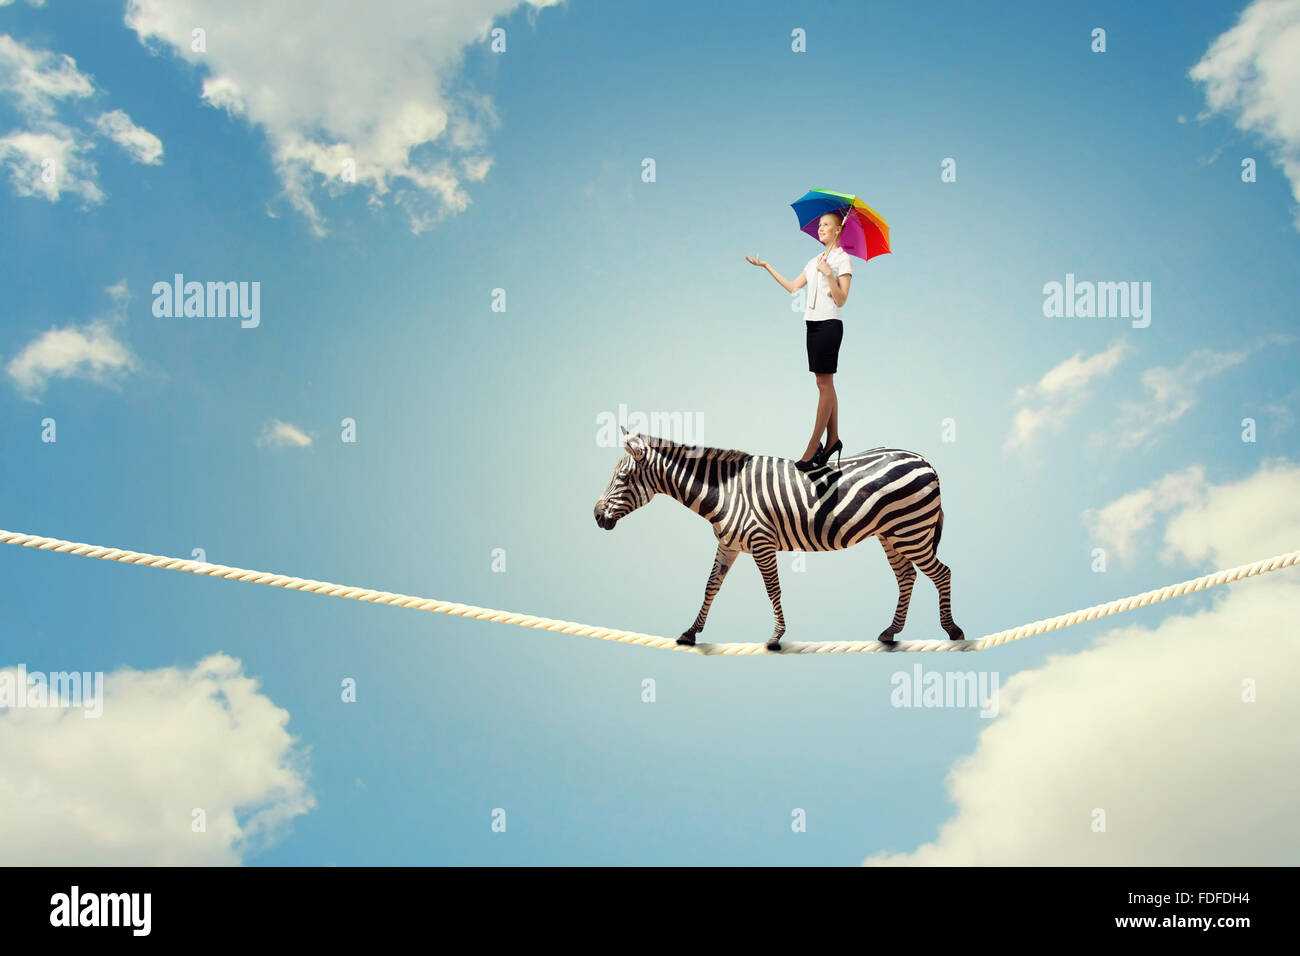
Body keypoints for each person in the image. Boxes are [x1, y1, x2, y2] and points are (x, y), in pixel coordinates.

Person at [745, 210, 853, 471]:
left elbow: (841, 299)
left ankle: (813, 447)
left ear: (838, 229)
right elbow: (794, 287)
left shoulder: (843, 260)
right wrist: (767, 267)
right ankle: (834, 439)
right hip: (812, 325)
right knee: (823, 382)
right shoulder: (814, 260)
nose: (821, 228)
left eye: (827, 225)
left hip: (829, 324)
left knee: (824, 383)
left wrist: (829, 274)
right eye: (820, 224)